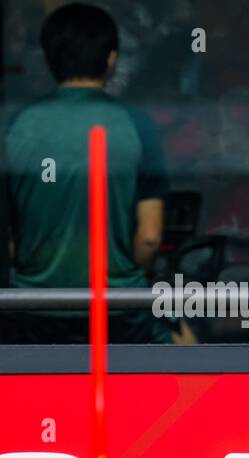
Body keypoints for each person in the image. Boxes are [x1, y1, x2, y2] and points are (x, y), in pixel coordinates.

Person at [3, 2, 174, 344]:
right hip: (117, 309)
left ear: (49, 60)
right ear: (111, 59)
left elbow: (10, 234)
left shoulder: (16, 127)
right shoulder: (135, 126)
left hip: (33, 308)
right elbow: (150, 236)